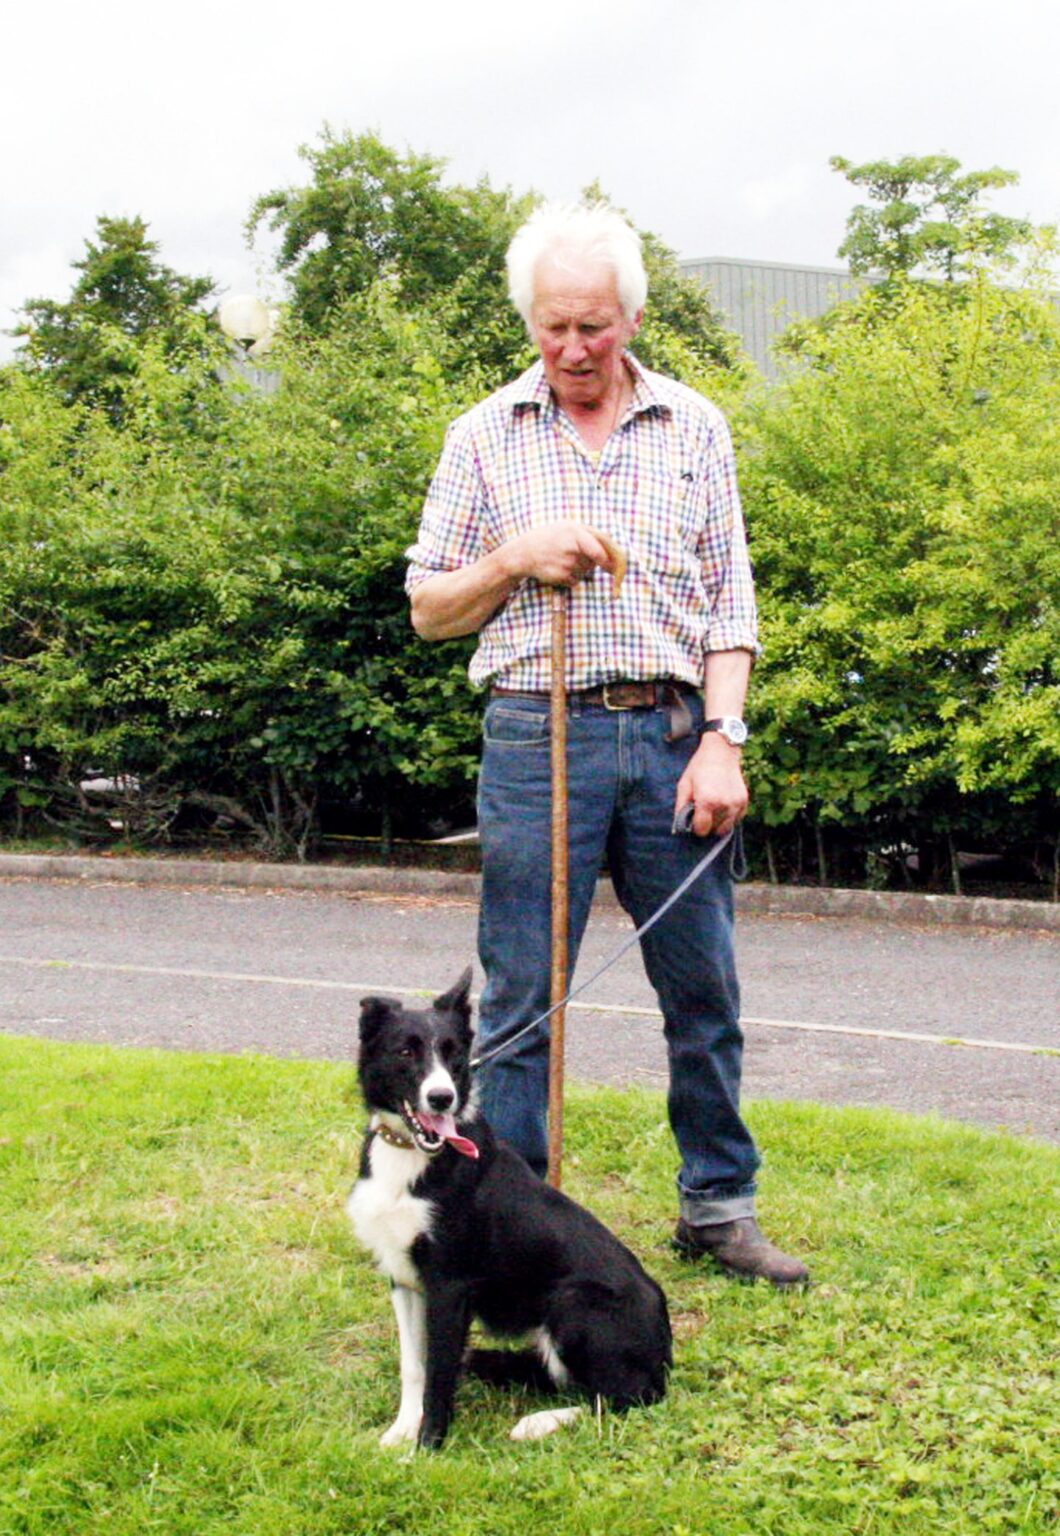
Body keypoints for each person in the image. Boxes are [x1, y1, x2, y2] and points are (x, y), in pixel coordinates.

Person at [405, 203, 808, 1286]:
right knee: (521, 1000)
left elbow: (732, 608)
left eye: (593, 326)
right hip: (536, 736)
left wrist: (723, 738)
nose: (574, 350)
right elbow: (430, 609)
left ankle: (717, 1207)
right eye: (552, 328)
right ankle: (511, 1225)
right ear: (529, 322)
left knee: (703, 990)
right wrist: (513, 558)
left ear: (631, 315)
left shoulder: (694, 427)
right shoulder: (483, 434)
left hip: (675, 733)